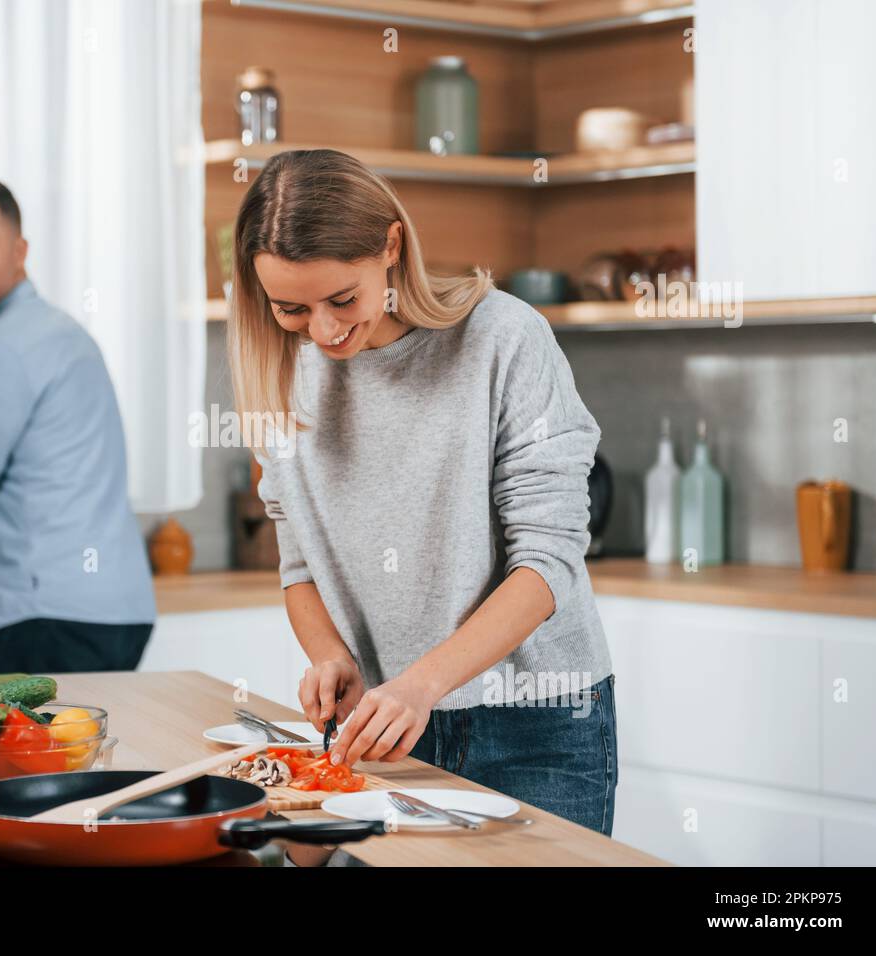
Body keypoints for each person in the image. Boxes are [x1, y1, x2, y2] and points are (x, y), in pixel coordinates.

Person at [229, 149, 617, 834]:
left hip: (535, 725)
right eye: (292, 309)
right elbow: (299, 565)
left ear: (391, 246)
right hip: (386, 726)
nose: (324, 330)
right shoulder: (280, 371)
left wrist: (422, 683)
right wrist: (331, 656)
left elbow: (548, 561)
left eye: (342, 299)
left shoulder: (503, 339)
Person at [0, 177, 156, 674]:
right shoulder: (61, 332)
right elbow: (32, 473)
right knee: (86, 751)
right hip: (120, 610)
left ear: (20, 250)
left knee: (10, 755)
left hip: (47, 616)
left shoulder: (0, 347)